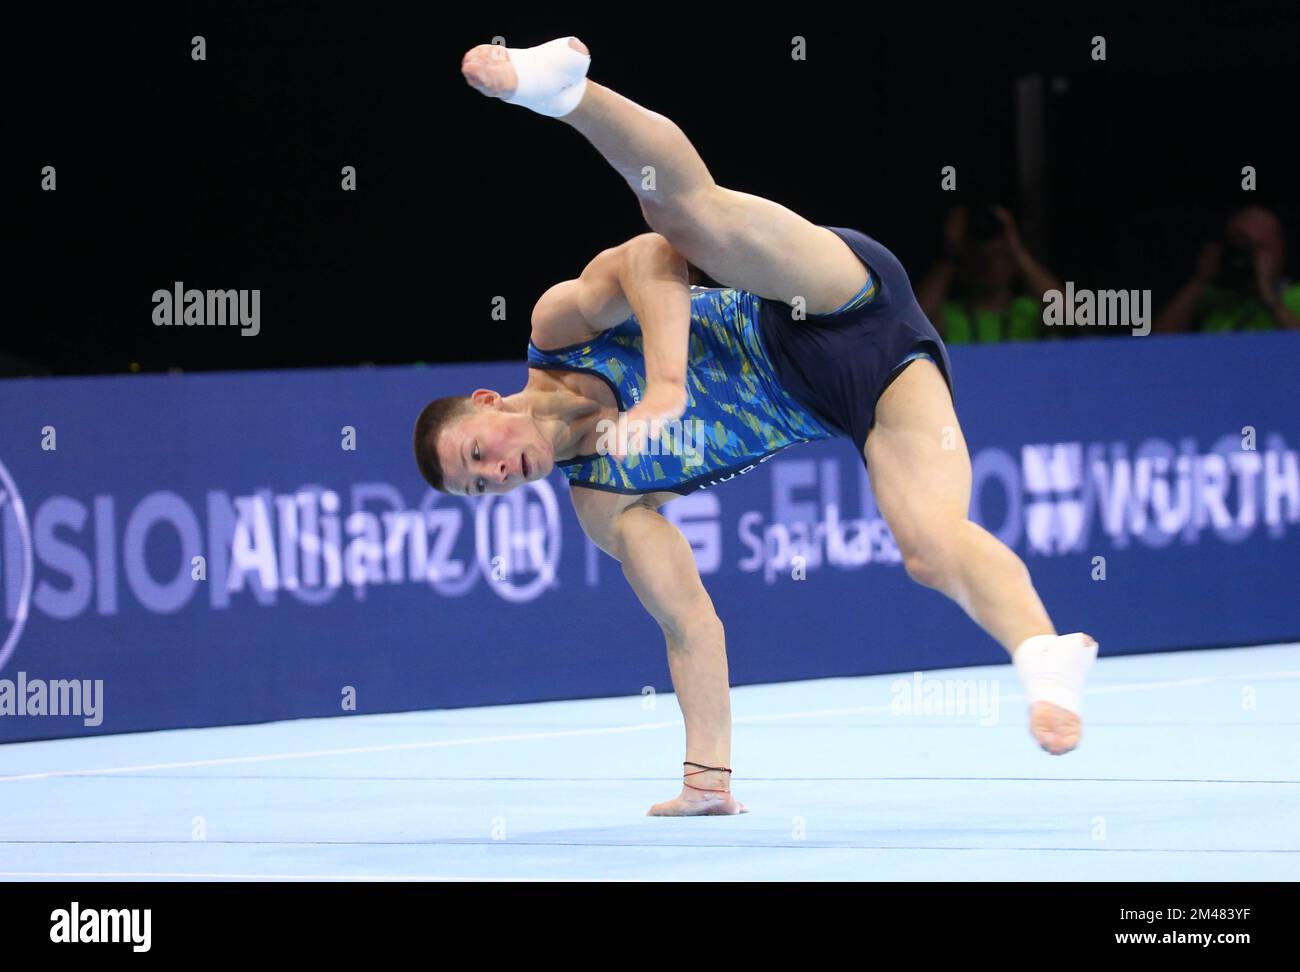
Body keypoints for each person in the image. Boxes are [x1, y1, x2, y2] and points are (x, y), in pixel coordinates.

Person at [414, 36, 1098, 816]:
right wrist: (706, 779)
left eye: (479, 453)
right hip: (873, 388)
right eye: (479, 488)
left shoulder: (557, 331)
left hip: (814, 296)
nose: (497, 474)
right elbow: (688, 623)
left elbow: (649, 258)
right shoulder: (605, 501)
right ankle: (1047, 658)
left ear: (486, 403)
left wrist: (665, 385)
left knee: (687, 216)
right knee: (928, 547)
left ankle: (561, 92)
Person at [915, 204, 1063, 344]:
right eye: (978, 257)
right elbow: (914, 321)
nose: (989, 264)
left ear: (1013, 264)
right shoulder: (951, 316)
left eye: (998, 256)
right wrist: (951, 252)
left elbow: (1067, 315)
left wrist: (1015, 246)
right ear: (963, 266)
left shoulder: (1028, 311)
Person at [1155, 205, 1300, 332]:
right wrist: (1200, 281)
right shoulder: (1216, 298)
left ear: (1279, 250)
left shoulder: (1295, 295)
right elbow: (1157, 343)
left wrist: (1269, 297)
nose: (1246, 256)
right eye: (1239, 244)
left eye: (1257, 247)